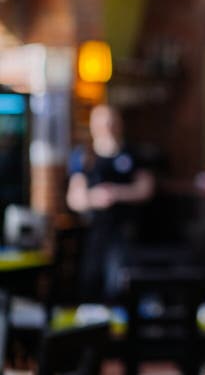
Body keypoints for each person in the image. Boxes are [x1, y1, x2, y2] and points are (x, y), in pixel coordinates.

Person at [66, 103, 155, 300]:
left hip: (125, 230)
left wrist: (116, 193)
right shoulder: (84, 156)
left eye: (111, 122)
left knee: (118, 284)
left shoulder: (132, 153)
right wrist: (94, 197)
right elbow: (74, 197)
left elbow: (145, 189)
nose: (107, 127)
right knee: (90, 281)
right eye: (102, 123)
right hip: (93, 230)